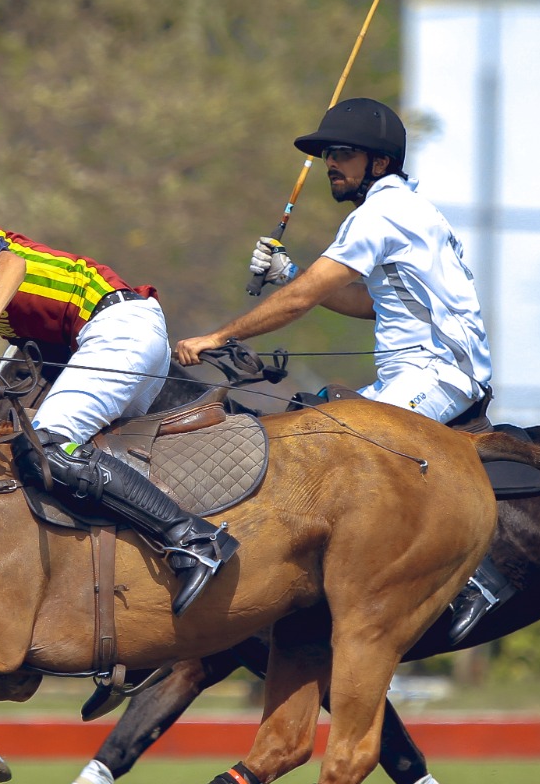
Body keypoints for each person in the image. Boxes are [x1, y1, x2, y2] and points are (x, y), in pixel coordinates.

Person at [173, 97, 506, 638]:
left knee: (346, 448)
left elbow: (302, 300)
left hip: (439, 375)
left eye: (344, 153)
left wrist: (219, 336)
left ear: (380, 162)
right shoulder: (405, 209)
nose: (331, 162)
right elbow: (370, 303)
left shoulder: (380, 214)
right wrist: (290, 272)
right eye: (329, 153)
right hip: (418, 374)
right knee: (312, 415)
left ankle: (476, 581)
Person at [0, 187, 237, 615]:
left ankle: (193, 540)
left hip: (116, 331)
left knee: (46, 447)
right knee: (82, 458)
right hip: (126, 333)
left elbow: (9, 264)